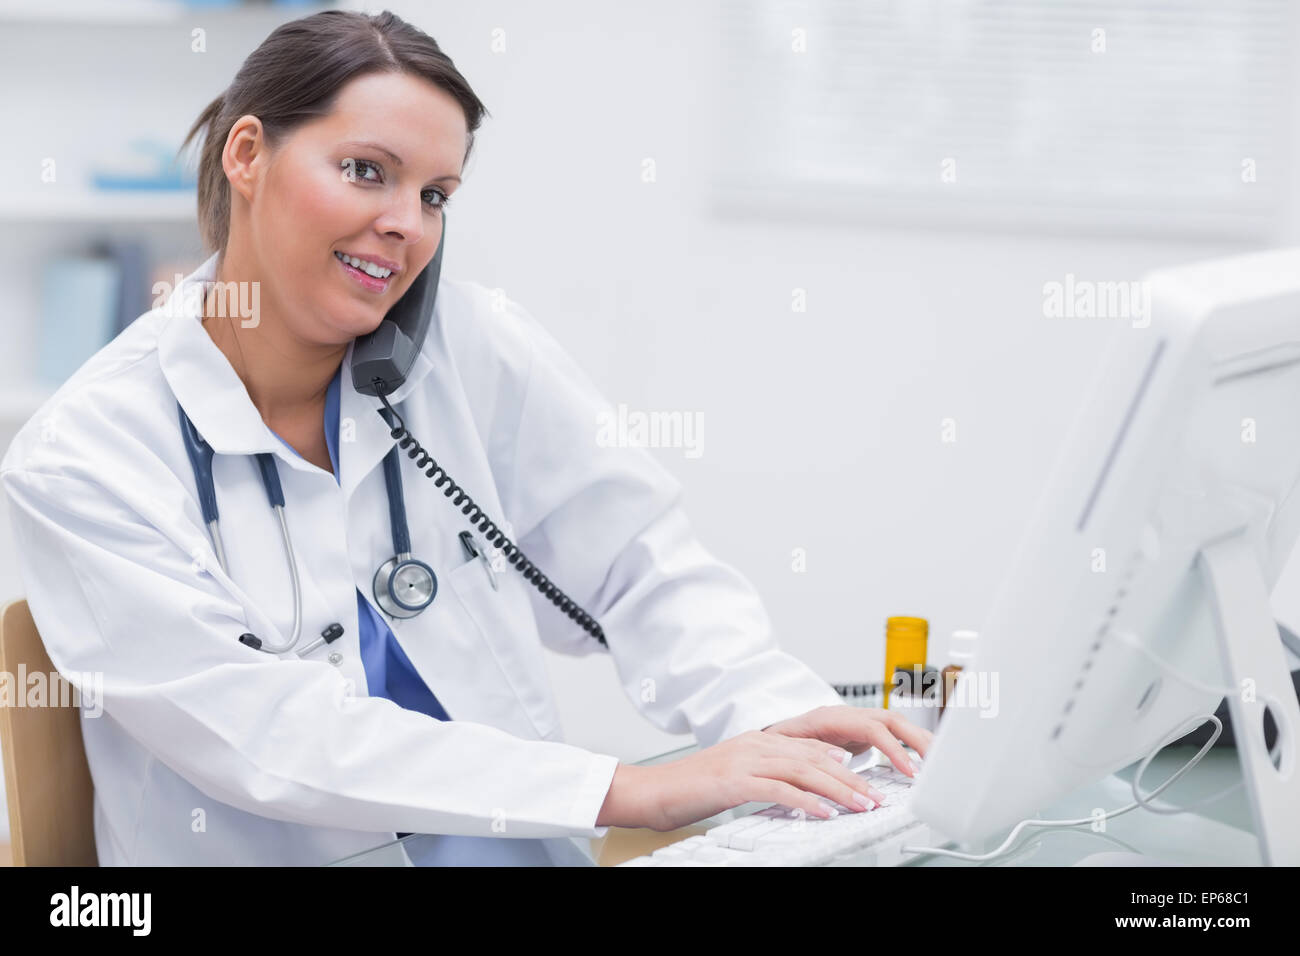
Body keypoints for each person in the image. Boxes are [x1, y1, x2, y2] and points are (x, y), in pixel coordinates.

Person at [0, 9, 930, 866]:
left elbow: (640, 561)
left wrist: (781, 717)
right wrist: (628, 791)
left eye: (436, 193)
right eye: (366, 170)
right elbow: (260, 735)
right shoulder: (86, 452)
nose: (405, 224)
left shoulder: (467, 349)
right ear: (249, 155)